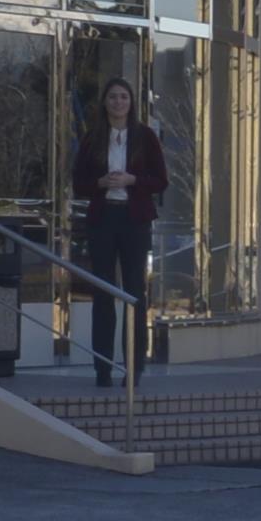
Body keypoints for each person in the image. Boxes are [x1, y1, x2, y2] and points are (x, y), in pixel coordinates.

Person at [74, 72, 171, 386]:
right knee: (103, 293)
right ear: (104, 102)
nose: (118, 102)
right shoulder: (92, 138)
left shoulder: (145, 137)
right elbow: (78, 184)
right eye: (113, 96)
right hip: (103, 219)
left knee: (134, 293)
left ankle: (134, 366)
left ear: (131, 103)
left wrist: (133, 181)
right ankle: (102, 366)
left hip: (134, 220)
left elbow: (161, 181)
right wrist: (100, 183)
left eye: (124, 97)